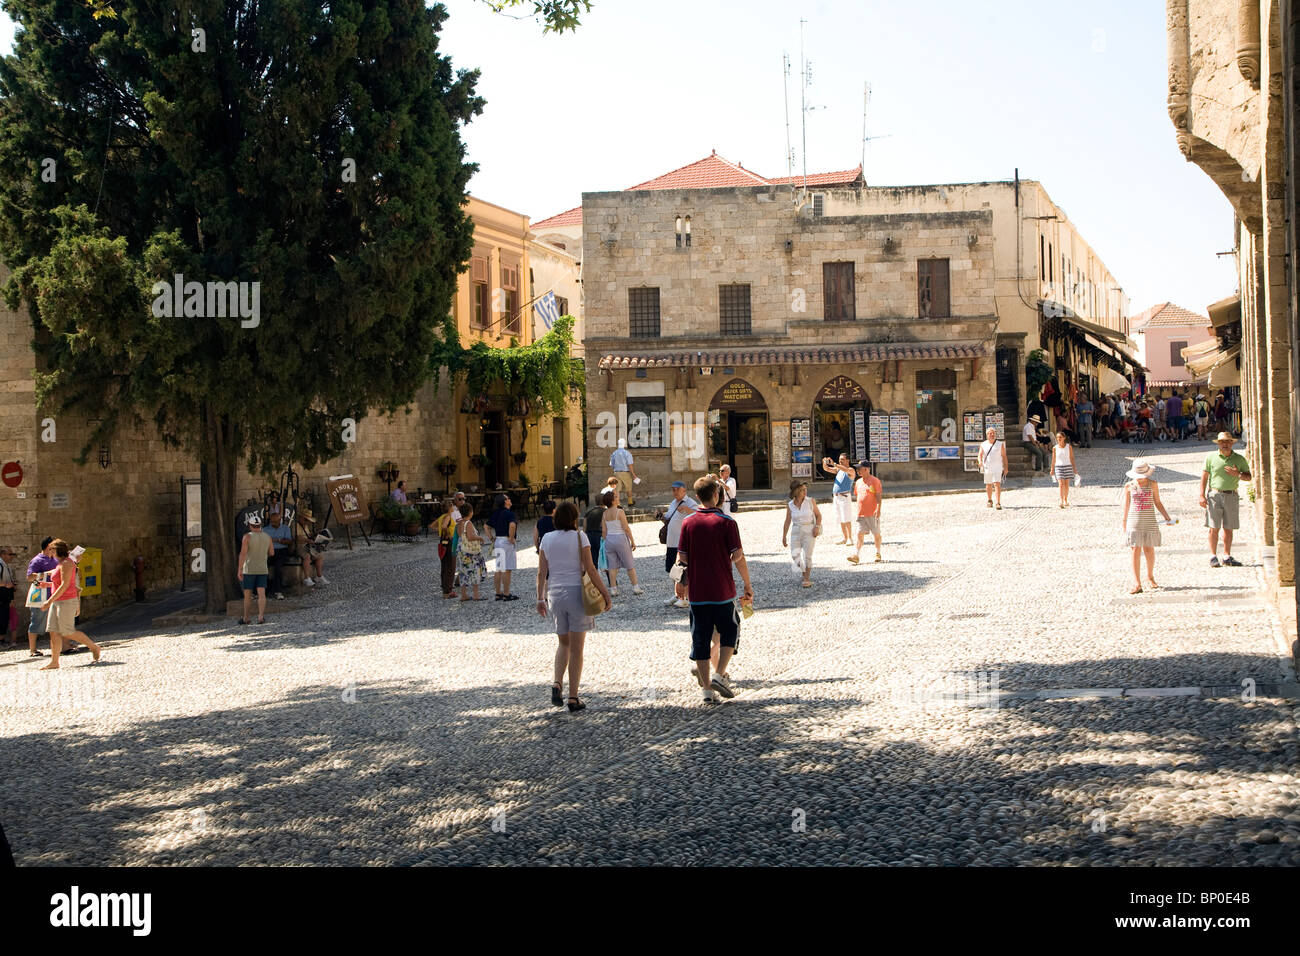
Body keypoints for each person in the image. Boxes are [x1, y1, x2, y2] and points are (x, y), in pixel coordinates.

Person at [674, 475, 754, 705]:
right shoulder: (727, 523)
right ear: (717, 496)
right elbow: (738, 556)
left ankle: (706, 690)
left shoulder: (688, 523)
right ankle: (720, 673)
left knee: (699, 637)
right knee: (731, 631)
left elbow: (682, 558)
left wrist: (680, 583)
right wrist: (747, 585)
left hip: (698, 593)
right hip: (722, 591)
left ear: (697, 497)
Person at [537, 501, 611, 713]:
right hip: (577, 593)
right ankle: (573, 697)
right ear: (573, 518)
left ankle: (556, 682)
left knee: (563, 643)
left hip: (555, 594)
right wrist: (605, 593)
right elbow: (590, 568)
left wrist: (540, 598)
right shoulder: (580, 537)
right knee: (577, 648)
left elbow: (542, 572)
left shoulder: (547, 539)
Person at [39, 540, 102, 669]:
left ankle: (94, 647)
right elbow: (60, 584)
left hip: (66, 601)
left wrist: (49, 601)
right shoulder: (60, 564)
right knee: (54, 632)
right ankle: (54, 662)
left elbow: (65, 585)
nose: (49, 552)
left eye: (51, 549)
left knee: (67, 632)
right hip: (58, 600)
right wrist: (48, 585)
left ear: (56, 550)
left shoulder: (67, 563)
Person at [1200, 431, 1252, 568]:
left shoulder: (1239, 459)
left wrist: (1238, 474)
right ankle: (1212, 556)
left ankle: (1226, 555)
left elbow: (1249, 477)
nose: (1225, 444)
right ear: (1218, 444)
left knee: (1229, 528)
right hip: (1214, 495)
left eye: (1228, 442)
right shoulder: (1211, 458)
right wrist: (1201, 495)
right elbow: (1204, 477)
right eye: (1222, 442)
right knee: (1213, 527)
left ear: (1231, 444)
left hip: (1232, 495)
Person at [1122, 458, 1173, 594]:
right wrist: (1124, 521)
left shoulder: (1153, 484)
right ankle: (1137, 582)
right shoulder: (1129, 486)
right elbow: (1127, 505)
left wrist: (1166, 517)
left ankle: (1150, 577)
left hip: (1149, 519)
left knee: (1149, 549)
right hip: (1134, 521)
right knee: (1135, 550)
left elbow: (1157, 501)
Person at [661, 481, 698, 608]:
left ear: (684, 491)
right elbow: (668, 518)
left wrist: (688, 510)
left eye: (677, 489)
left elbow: (698, 515)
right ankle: (677, 594)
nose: (675, 492)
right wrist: (660, 516)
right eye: (673, 490)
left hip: (682, 542)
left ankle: (685, 597)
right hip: (671, 541)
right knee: (672, 570)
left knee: (683, 570)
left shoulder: (690, 502)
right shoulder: (673, 502)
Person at [600, 489, 643, 596]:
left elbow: (604, 531)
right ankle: (635, 587)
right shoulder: (620, 512)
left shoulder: (604, 513)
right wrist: (632, 541)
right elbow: (626, 528)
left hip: (609, 539)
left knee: (612, 566)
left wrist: (605, 541)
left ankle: (613, 589)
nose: (617, 498)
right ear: (613, 501)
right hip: (620, 539)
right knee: (629, 564)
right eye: (616, 497)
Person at [24, 538, 62, 657]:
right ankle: (32, 650)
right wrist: (45, 574)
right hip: (40, 596)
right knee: (36, 621)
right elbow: (30, 577)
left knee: (57, 622)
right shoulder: (37, 560)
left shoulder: (55, 559)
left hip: (54, 594)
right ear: (48, 547)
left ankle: (59, 647)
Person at [782, 478, 822, 588]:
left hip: (809, 529)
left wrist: (817, 527)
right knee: (795, 555)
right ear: (796, 491)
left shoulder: (810, 501)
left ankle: (806, 578)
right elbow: (787, 521)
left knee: (807, 555)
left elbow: (819, 515)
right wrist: (784, 536)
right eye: (802, 490)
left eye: (806, 489)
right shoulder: (790, 505)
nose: (805, 492)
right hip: (796, 530)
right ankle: (804, 573)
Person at [237, 514, 275, 625]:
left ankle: (246, 618)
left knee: (247, 595)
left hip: (249, 569)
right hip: (262, 568)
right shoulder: (267, 537)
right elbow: (272, 552)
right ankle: (261, 617)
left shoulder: (247, 537)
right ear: (260, 525)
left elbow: (243, 554)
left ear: (250, 526)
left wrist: (239, 569)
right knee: (261, 594)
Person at [849, 460, 883, 564]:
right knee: (859, 533)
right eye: (857, 468)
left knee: (876, 534)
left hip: (872, 512)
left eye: (860, 468)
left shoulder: (875, 481)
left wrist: (878, 509)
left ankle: (878, 553)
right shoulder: (858, 482)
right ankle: (856, 554)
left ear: (867, 469)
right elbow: (857, 495)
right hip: (861, 513)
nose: (857, 470)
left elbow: (878, 497)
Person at [486, 493, 519, 601]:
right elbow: (512, 525)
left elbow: (486, 526)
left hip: (498, 540)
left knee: (499, 568)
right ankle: (506, 593)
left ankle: (498, 593)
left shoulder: (496, 513)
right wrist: (511, 537)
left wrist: (491, 538)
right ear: (505, 502)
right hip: (506, 542)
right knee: (507, 569)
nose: (510, 499)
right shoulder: (509, 514)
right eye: (508, 498)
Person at [455, 502, 488, 601]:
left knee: (463, 572)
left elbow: (461, 536)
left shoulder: (459, 523)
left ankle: (464, 595)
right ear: (470, 512)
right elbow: (470, 537)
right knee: (474, 570)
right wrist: (480, 538)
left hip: (461, 550)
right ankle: (476, 595)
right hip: (470, 552)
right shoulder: (468, 523)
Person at [821, 453, 856, 545]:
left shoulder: (850, 470)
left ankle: (850, 538)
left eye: (842, 459)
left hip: (844, 496)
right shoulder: (839, 470)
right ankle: (845, 537)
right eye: (840, 459)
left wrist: (835, 464)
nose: (840, 461)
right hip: (836, 497)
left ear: (848, 460)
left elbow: (847, 470)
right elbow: (827, 469)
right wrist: (824, 462)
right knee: (840, 518)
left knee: (846, 518)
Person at [296, 506, 331, 588]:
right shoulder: (296, 525)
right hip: (299, 546)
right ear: (301, 518)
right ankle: (307, 578)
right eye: (305, 520)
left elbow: (308, 535)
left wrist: (316, 535)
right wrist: (307, 540)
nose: (307, 522)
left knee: (319, 556)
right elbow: (297, 537)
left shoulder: (305, 526)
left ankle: (319, 576)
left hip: (307, 545)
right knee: (307, 556)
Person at [978, 426, 1008, 510]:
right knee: (988, 485)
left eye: (993, 433)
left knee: (997, 484)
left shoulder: (999, 444)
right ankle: (989, 500)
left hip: (997, 467)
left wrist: (1006, 467)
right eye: (990, 433)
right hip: (987, 467)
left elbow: (1004, 456)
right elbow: (980, 455)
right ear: (987, 435)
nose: (991, 435)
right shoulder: (983, 444)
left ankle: (998, 502)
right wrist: (980, 462)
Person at [265, 509, 293, 600]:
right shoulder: (265, 530)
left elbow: (289, 541)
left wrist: (278, 540)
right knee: (262, 567)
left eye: (275, 521)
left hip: (281, 550)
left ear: (279, 520)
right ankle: (264, 590)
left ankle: (278, 591)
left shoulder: (285, 528)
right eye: (272, 521)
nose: (273, 523)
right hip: (269, 551)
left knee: (278, 568)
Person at [433, 500, 458, 598]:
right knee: (450, 566)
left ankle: (445, 588)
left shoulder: (441, 517)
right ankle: (448, 591)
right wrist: (447, 534)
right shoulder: (448, 517)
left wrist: (440, 532)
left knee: (444, 565)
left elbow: (432, 526)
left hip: (442, 541)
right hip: (449, 542)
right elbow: (444, 526)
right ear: (450, 508)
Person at [1051, 431, 1078, 508]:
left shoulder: (1068, 447)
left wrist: (1074, 468)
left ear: (1064, 438)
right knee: (1061, 484)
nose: (1058, 439)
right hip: (1058, 467)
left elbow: (1072, 458)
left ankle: (1066, 499)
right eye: (1057, 437)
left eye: (1060, 437)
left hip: (1068, 466)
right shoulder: (1055, 448)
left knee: (1066, 484)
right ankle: (1061, 500)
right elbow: (1053, 459)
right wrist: (1052, 469)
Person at [609, 438, 639, 507]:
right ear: (624, 444)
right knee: (628, 487)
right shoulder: (627, 453)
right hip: (625, 472)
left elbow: (612, 465)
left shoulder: (614, 453)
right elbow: (630, 465)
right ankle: (630, 502)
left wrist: (616, 470)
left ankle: (618, 503)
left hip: (616, 472)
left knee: (617, 489)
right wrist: (633, 474)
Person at [0, 546, 15, 647]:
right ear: (3, 554)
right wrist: (6, 584)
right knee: (1, 619)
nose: (12, 557)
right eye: (10, 554)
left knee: (4, 619)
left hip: (5, 598)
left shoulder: (6, 565)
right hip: (1, 597)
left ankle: (2, 640)